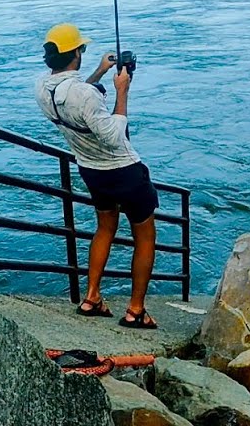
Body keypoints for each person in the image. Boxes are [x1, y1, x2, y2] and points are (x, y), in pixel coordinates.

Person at [34, 23, 159, 329]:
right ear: (76, 53)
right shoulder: (86, 96)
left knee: (104, 228)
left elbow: (74, 98)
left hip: (92, 171)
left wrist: (100, 72)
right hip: (125, 171)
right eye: (82, 49)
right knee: (145, 236)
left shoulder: (43, 89)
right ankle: (135, 310)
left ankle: (91, 297)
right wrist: (122, 91)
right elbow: (114, 135)